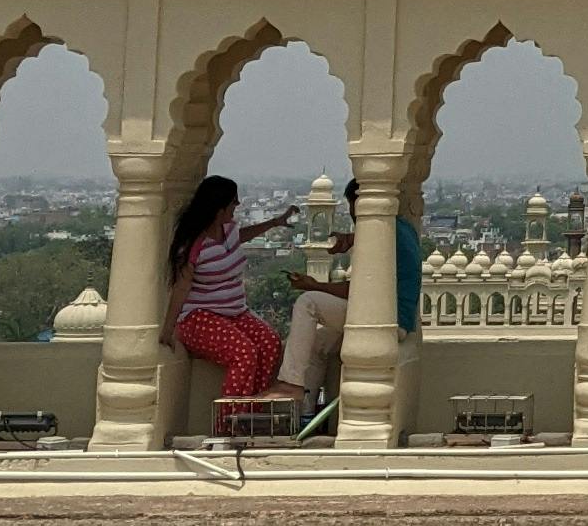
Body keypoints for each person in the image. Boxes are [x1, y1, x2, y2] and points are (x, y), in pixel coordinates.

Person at [161, 172, 307, 408]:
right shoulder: (194, 244)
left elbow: (241, 237)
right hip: (200, 317)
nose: (237, 206)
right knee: (244, 353)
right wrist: (168, 330)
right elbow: (181, 288)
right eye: (232, 202)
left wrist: (274, 222)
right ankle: (229, 421)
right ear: (218, 207)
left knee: (269, 344)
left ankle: (251, 411)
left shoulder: (227, 231)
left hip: (235, 313)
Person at [283, 176, 425, 410]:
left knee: (307, 303)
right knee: (318, 343)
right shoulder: (400, 228)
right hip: (397, 319)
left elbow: (356, 292)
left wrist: (313, 285)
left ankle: (290, 383)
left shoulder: (379, 236)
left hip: (386, 321)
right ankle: (303, 413)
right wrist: (350, 239)